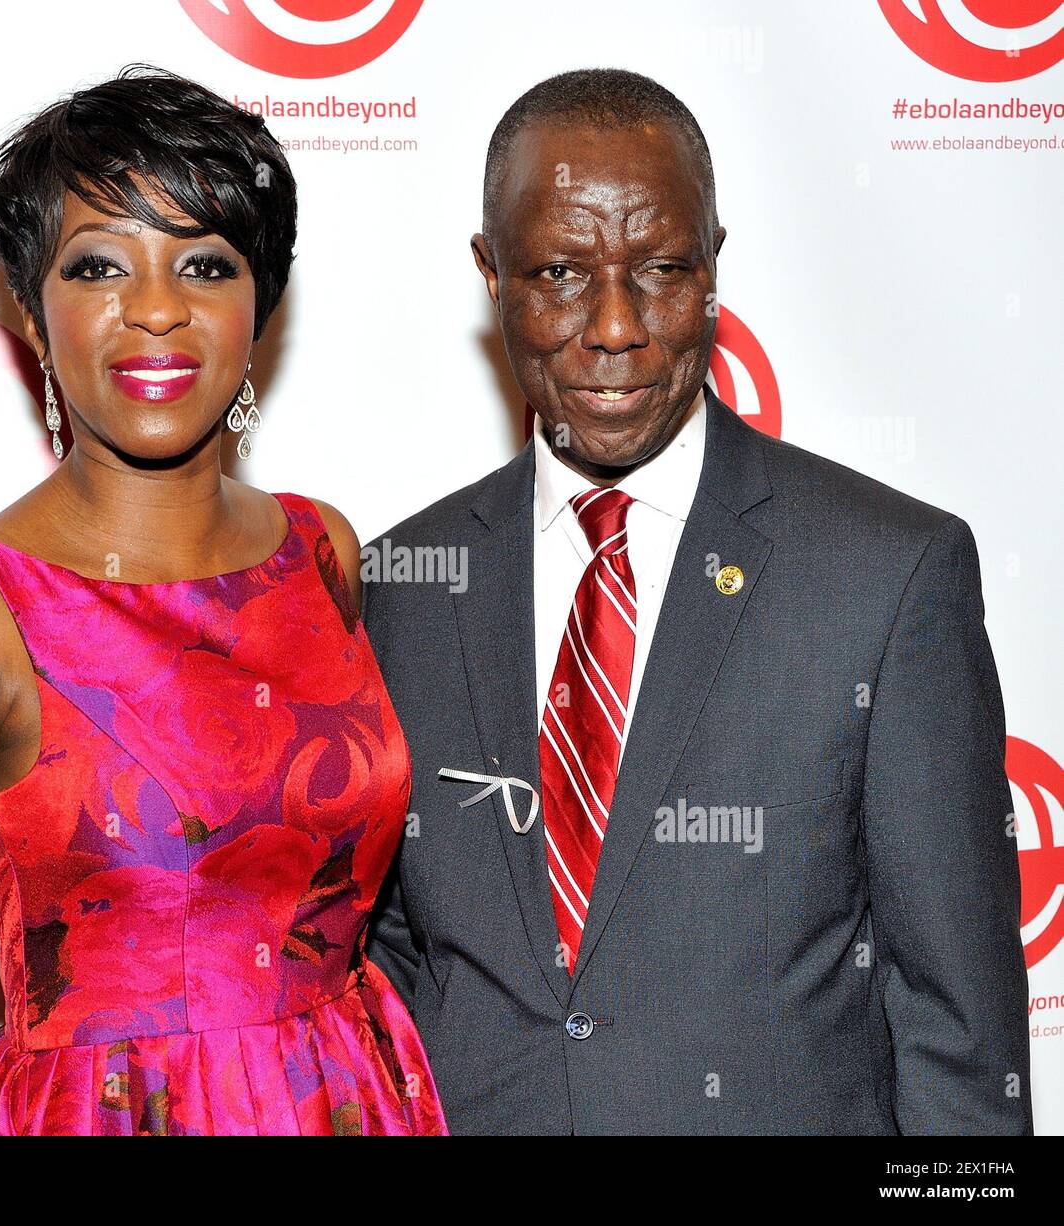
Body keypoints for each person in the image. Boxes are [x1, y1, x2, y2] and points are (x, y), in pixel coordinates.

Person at [362, 68, 1031, 1135]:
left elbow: (958, 1026)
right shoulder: (397, 585)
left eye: (664, 268)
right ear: (490, 275)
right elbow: (388, 958)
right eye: (560, 272)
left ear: (715, 263)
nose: (616, 326)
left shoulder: (889, 574)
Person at [0, 63, 447, 1136]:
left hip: (351, 1102)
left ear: (260, 304)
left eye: (205, 263)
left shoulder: (322, 549)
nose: (158, 309)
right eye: (99, 267)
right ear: (31, 313)